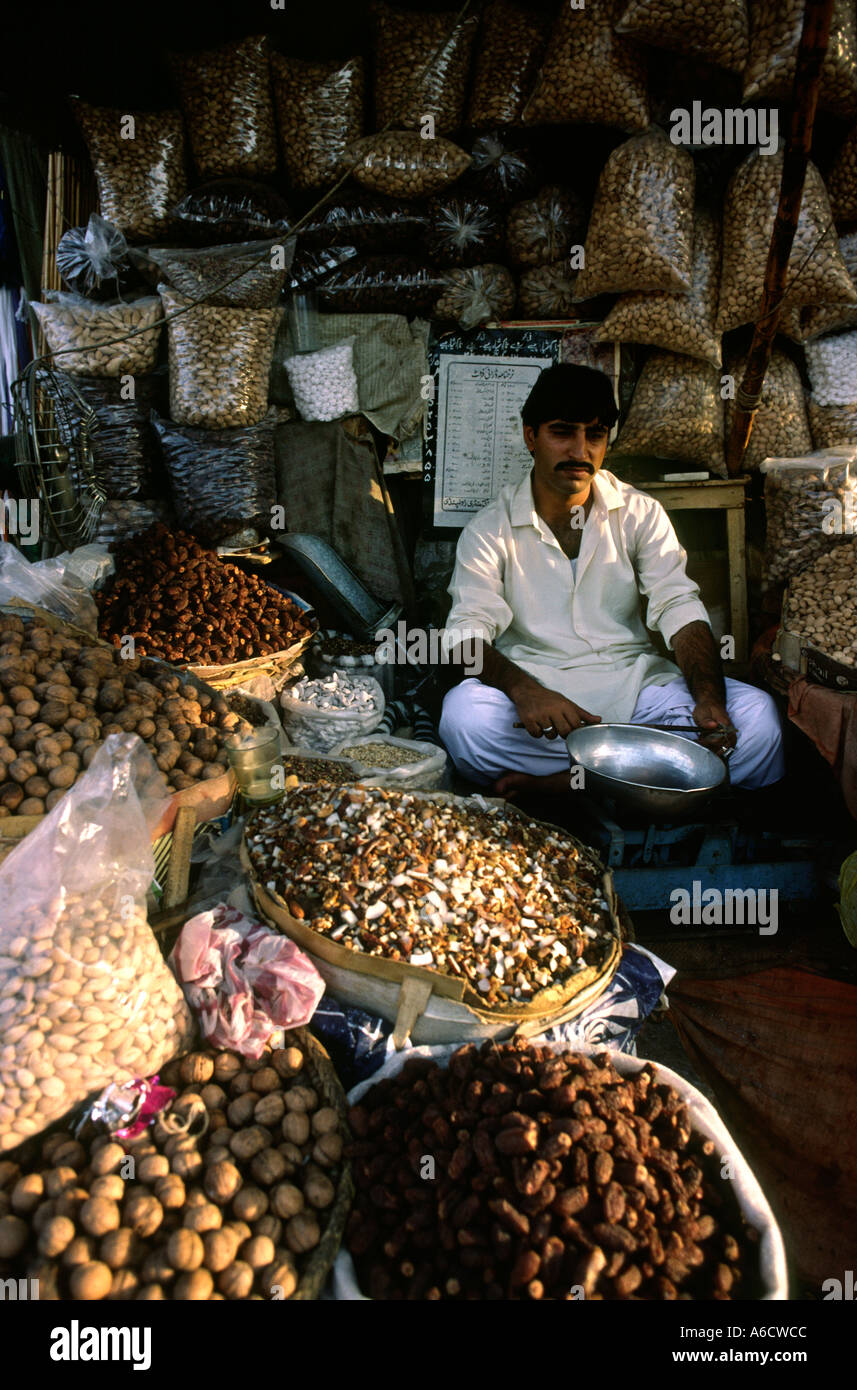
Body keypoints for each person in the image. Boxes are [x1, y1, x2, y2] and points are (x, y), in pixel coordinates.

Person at [438, 363, 784, 797]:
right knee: (464, 719)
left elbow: (678, 605)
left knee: (758, 720)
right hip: (544, 711)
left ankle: (565, 786)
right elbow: (465, 635)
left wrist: (709, 697)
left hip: (638, 692)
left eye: (595, 434)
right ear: (531, 436)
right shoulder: (489, 528)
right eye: (563, 432)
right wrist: (526, 691)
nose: (580, 450)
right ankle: (655, 783)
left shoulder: (640, 513)